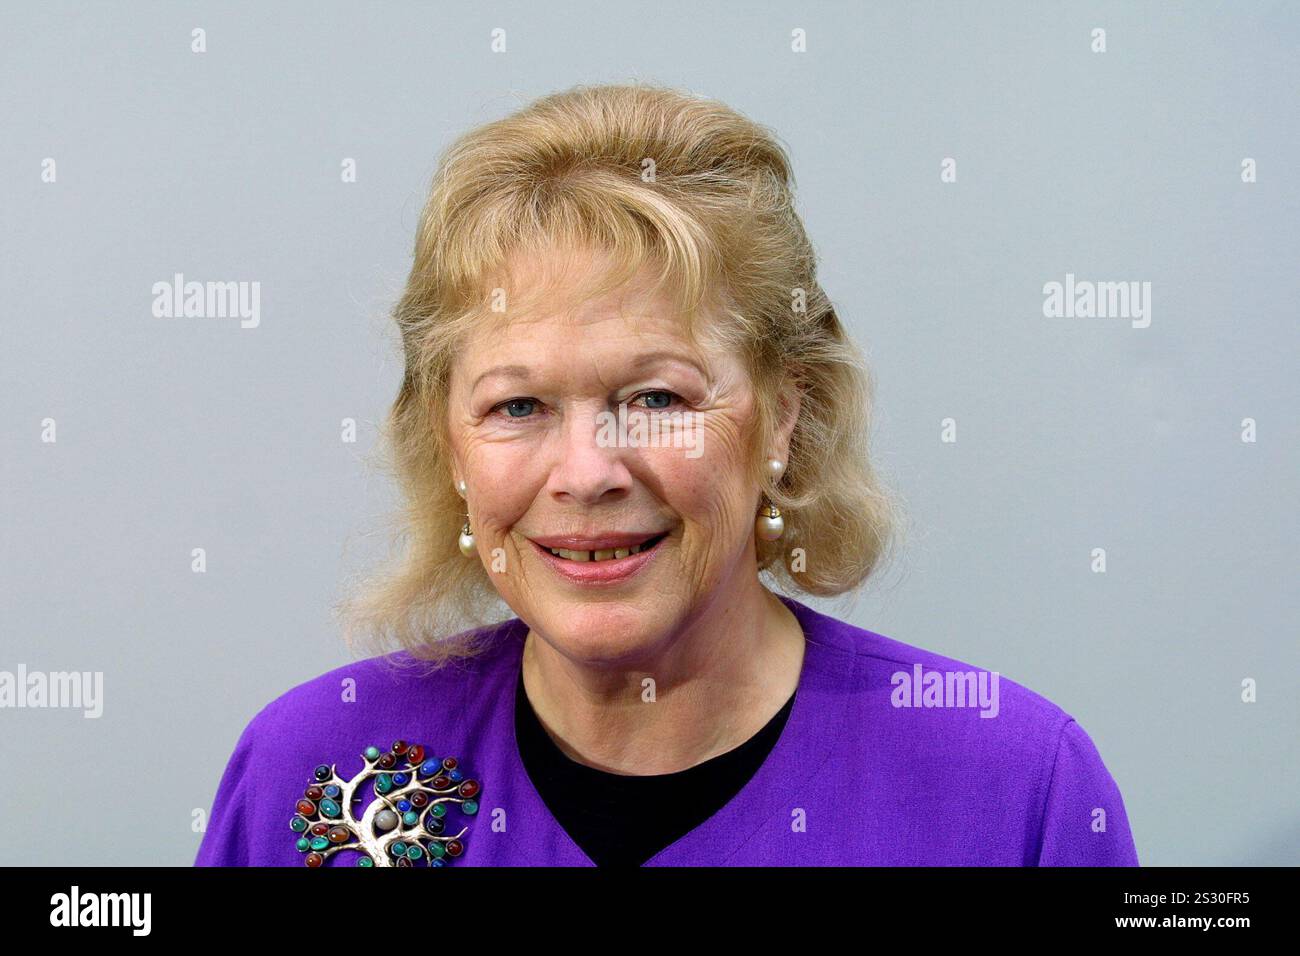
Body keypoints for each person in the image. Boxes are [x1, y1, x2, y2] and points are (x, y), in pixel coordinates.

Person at [194, 83, 1137, 867]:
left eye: (656, 399)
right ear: (448, 444)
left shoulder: (1016, 791)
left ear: (784, 415)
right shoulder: (309, 767)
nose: (586, 472)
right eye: (517, 407)